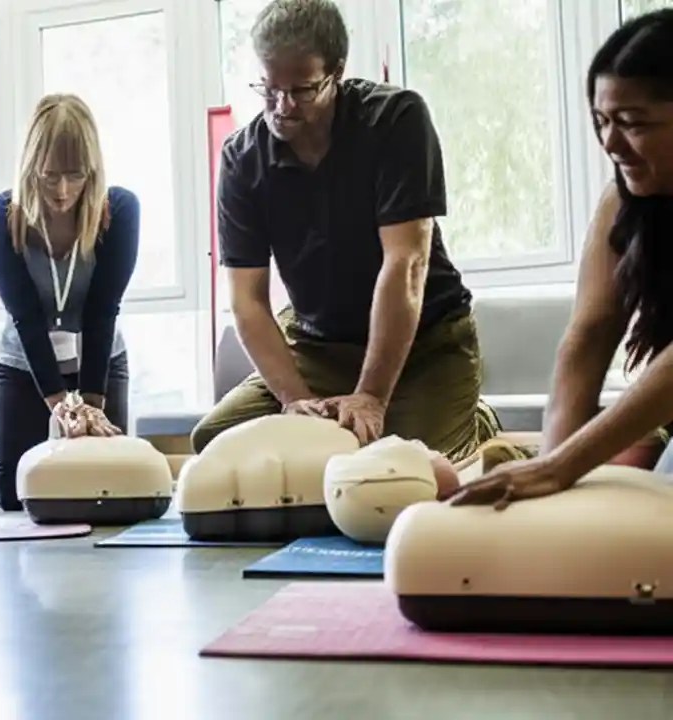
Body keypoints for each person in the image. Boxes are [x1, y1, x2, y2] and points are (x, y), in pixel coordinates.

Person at [191, 0, 499, 462]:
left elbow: (406, 262)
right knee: (219, 443)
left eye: (301, 90)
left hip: (424, 342)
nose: (282, 108)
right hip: (317, 345)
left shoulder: (396, 119)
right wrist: (296, 401)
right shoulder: (242, 159)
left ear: (336, 72)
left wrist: (371, 396)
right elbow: (248, 300)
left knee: (404, 467)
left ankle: (474, 424)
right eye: (269, 89)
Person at [449, 9, 673, 509]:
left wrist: (560, 465)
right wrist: (546, 480)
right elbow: (588, 341)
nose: (611, 144)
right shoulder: (621, 204)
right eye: (601, 121)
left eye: (632, 124)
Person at [0, 94, 139, 511]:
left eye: (75, 175)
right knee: (16, 495)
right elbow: (26, 317)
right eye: (49, 176)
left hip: (98, 360)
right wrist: (62, 408)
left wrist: (91, 410)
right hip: (24, 363)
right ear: (31, 168)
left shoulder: (119, 210)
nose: (63, 191)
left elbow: (103, 311)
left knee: (105, 488)